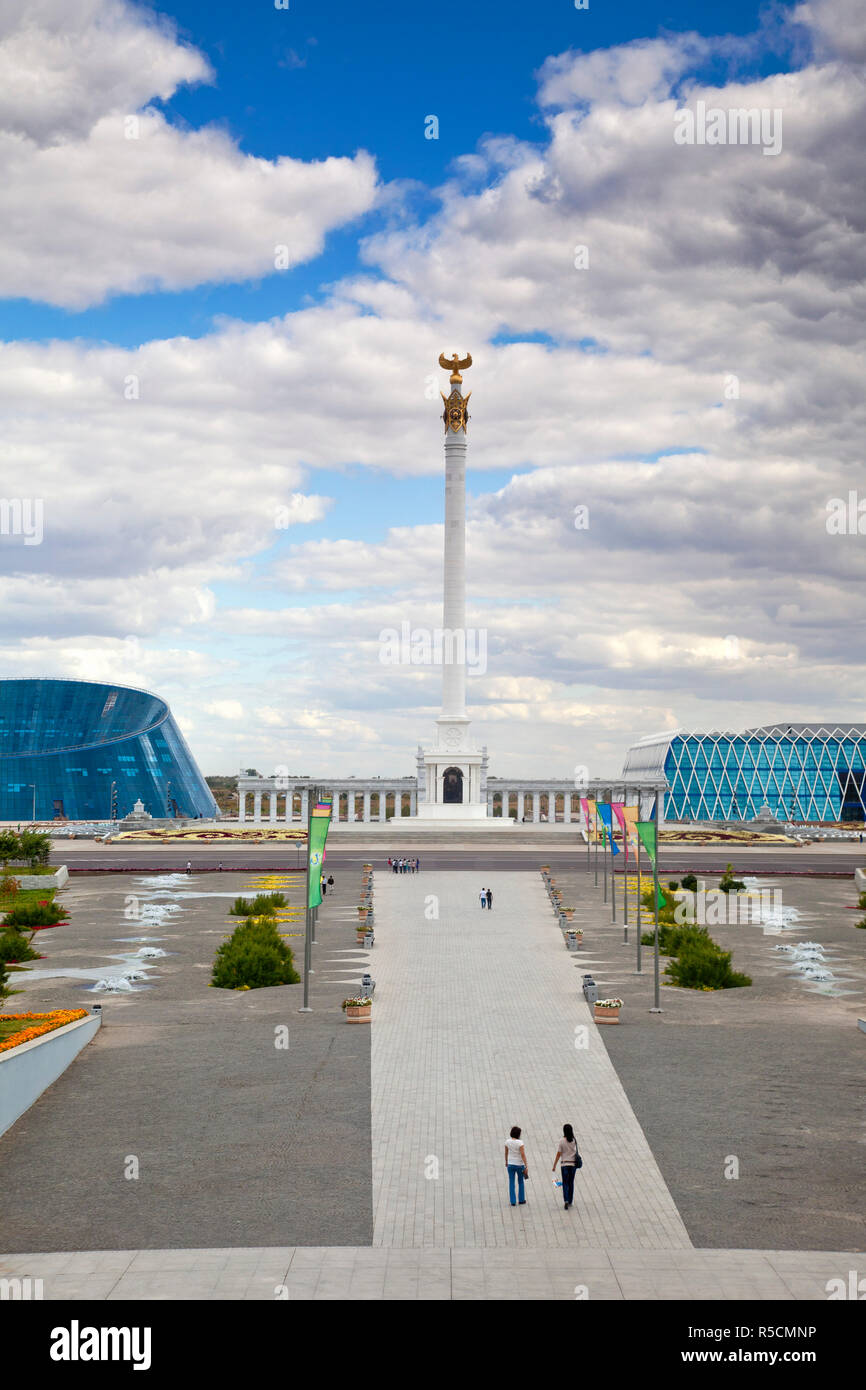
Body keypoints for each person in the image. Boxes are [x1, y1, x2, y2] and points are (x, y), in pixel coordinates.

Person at [552, 1123, 579, 1210]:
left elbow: (558, 1154)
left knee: (565, 1183)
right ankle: (570, 1200)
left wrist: (554, 1165)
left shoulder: (562, 1141)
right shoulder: (574, 1140)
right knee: (571, 1183)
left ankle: (566, 1200)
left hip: (564, 1164)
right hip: (573, 1164)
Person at [505, 1126, 528, 1206]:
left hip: (510, 1164)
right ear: (518, 1134)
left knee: (511, 1182)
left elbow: (506, 1153)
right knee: (520, 1182)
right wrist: (526, 1165)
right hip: (519, 1165)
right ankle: (521, 1200)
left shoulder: (507, 1142)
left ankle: (513, 1201)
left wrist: (506, 1161)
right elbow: (522, 1154)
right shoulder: (520, 1143)